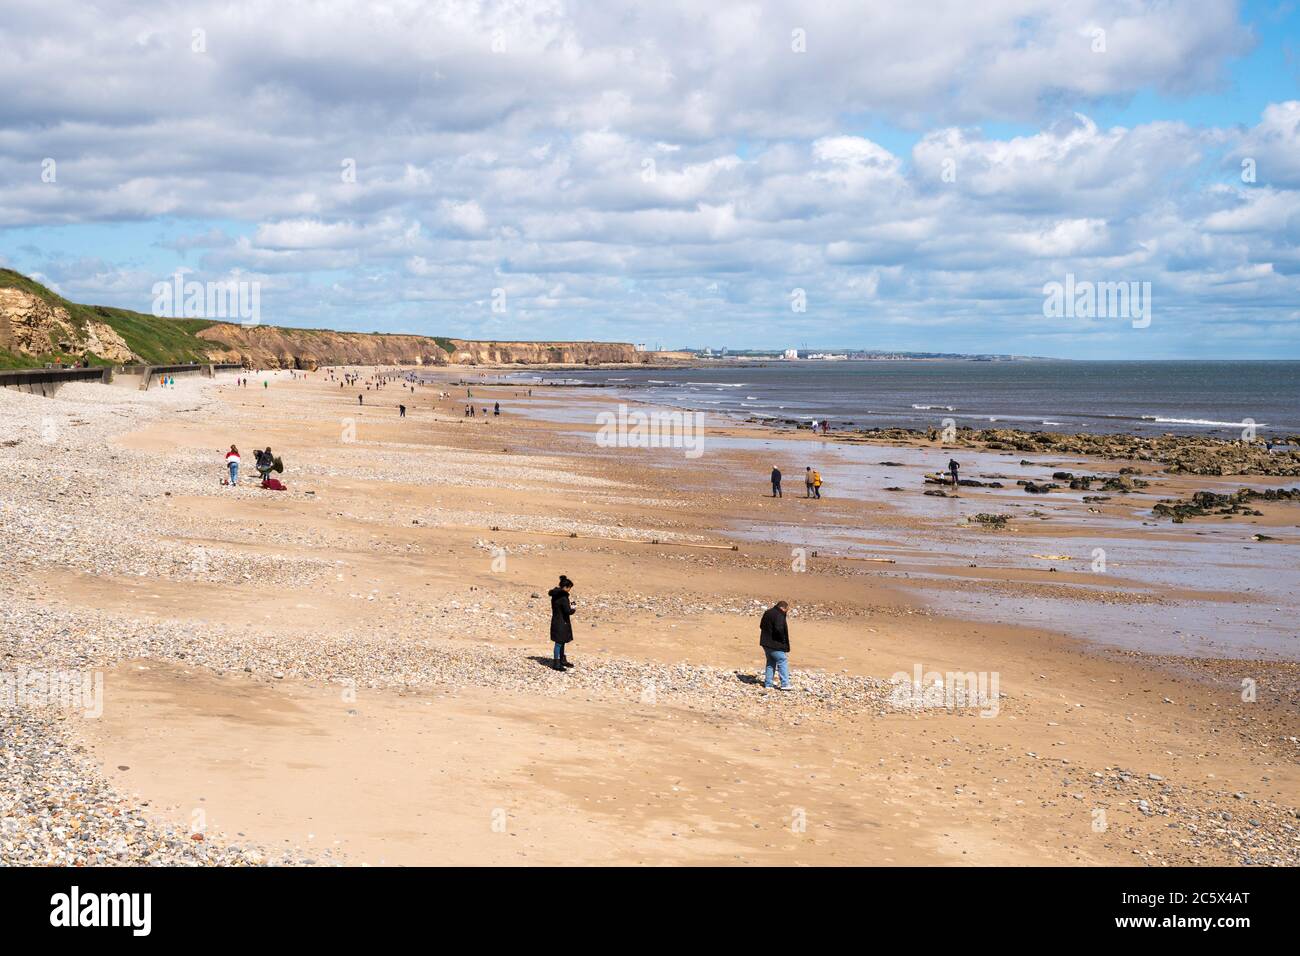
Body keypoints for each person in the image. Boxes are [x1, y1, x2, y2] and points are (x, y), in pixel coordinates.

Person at [759, 601, 793, 691]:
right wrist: (782, 640)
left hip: (765, 642)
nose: (786, 612)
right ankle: (785, 684)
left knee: (771, 662)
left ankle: (768, 683)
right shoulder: (779, 615)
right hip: (775, 644)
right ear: (783, 608)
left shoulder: (768, 612)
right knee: (782, 661)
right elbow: (779, 629)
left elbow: (761, 625)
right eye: (787, 610)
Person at [548, 575, 576, 671]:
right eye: (569, 588)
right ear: (565, 587)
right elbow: (567, 611)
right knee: (559, 643)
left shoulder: (555, 595)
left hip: (556, 620)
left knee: (561, 641)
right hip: (561, 623)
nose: (569, 590)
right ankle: (557, 663)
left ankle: (561, 660)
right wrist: (573, 608)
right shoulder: (563, 597)